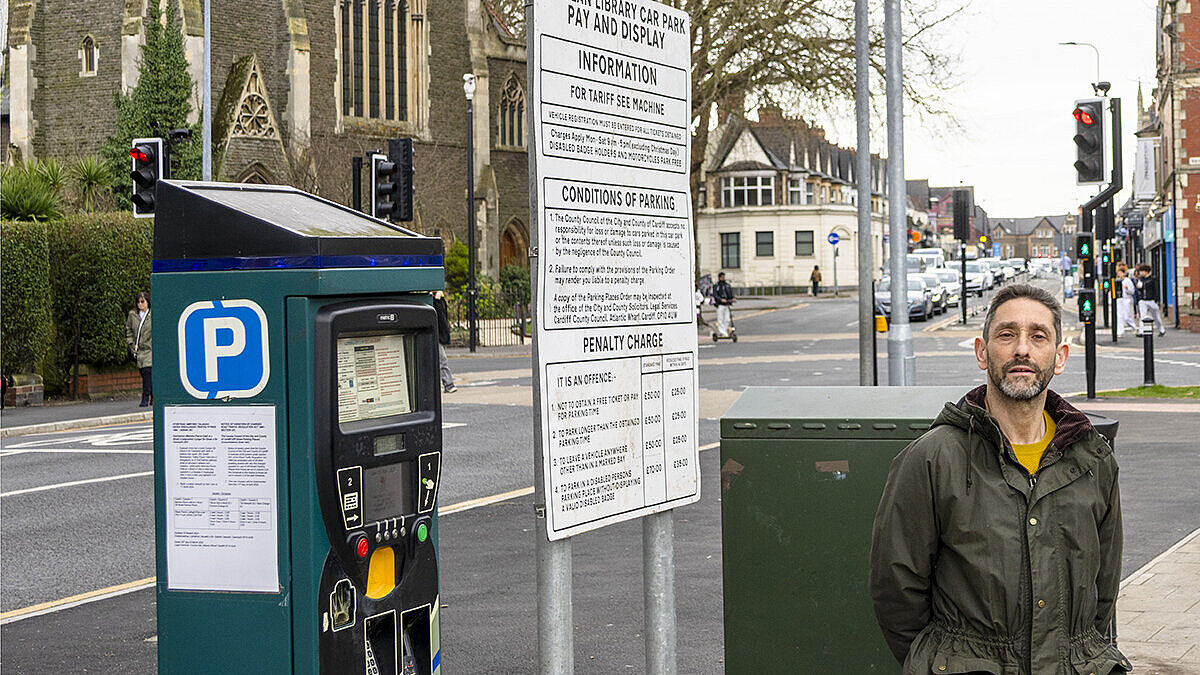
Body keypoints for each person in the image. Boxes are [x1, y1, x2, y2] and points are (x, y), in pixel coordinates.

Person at [870, 283, 1128, 674]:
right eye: (1007, 335)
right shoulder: (933, 458)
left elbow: (1103, 589)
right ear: (981, 351)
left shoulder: (1093, 460)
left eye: (1037, 336)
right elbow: (896, 589)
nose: (1022, 348)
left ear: (1059, 358)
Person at [125, 291, 153, 407]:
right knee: (144, 373)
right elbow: (129, 330)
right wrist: (131, 343)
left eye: (142, 302)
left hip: (149, 349)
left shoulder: (152, 315)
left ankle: (145, 397)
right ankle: (153, 394)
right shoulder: (133, 315)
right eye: (138, 302)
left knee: (147, 372)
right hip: (138, 350)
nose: (140, 305)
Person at [432, 290, 457, 393]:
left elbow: (442, 317)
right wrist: (437, 300)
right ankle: (448, 384)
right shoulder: (434, 301)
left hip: (440, 335)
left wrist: (438, 299)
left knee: (440, 361)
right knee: (442, 360)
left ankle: (447, 384)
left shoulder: (440, 301)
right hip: (435, 335)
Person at [1135, 263, 1166, 337]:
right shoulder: (1141, 279)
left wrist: (1156, 299)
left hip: (1151, 300)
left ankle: (1161, 329)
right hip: (1143, 300)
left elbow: (1156, 289)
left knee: (1156, 316)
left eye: (1142, 271)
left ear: (1146, 271)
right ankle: (1141, 331)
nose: (1141, 273)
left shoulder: (1153, 279)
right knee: (1143, 315)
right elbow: (1139, 288)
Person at [1116, 263, 1138, 336]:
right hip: (1119, 299)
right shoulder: (1117, 281)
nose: (1119, 275)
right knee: (1119, 316)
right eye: (1118, 273)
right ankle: (1120, 332)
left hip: (1126, 299)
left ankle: (1134, 327)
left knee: (1126, 316)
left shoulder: (1127, 281)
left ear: (1123, 273)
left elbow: (1132, 291)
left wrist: (1127, 289)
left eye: (1120, 273)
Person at [712, 272, 735, 337]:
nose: (723, 278)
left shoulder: (727, 285)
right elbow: (715, 294)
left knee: (727, 319)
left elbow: (731, 293)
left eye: (723, 277)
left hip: (727, 304)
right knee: (720, 319)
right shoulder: (716, 286)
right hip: (720, 305)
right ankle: (722, 332)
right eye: (721, 277)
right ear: (719, 278)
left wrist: (733, 298)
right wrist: (720, 299)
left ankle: (724, 331)